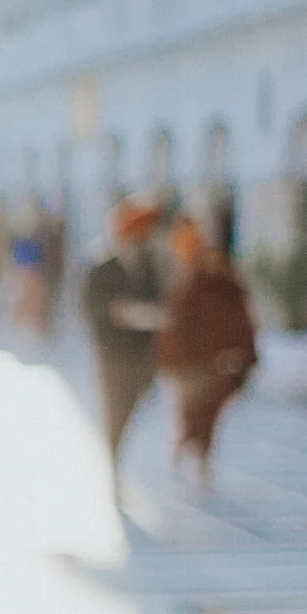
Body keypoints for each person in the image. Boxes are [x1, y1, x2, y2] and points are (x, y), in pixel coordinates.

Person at [157, 218, 257, 488]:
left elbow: (243, 323)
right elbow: (176, 326)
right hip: (191, 363)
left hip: (220, 363)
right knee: (190, 411)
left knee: (210, 412)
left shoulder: (231, 288)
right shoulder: (187, 287)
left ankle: (201, 454)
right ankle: (186, 443)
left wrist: (243, 354)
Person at [81, 199, 168, 491]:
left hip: (141, 353)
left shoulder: (149, 262)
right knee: (114, 413)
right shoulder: (102, 263)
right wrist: (117, 311)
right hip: (113, 353)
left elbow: (160, 298)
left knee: (130, 411)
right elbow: (91, 306)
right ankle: (111, 471)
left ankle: (115, 465)